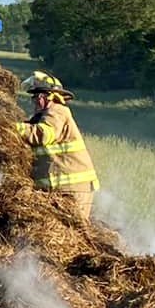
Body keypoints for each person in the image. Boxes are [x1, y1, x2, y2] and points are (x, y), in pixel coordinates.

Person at [13, 71, 99, 221]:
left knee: (73, 232)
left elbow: (43, 135)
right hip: (61, 188)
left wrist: (11, 127)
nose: (33, 101)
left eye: (35, 97)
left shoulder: (57, 111)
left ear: (45, 97)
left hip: (72, 188)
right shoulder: (43, 117)